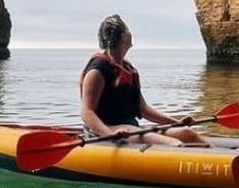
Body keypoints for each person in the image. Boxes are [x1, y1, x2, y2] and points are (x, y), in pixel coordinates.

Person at [80, 14, 207, 146]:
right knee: (172, 142)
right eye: (128, 31)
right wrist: (109, 134)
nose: (131, 34)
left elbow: (143, 110)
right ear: (123, 37)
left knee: (187, 133)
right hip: (107, 131)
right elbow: (87, 111)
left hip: (131, 129)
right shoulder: (98, 70)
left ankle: (225, 163)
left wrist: (176, 122)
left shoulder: (129, 69)